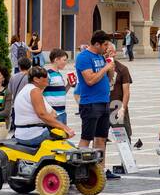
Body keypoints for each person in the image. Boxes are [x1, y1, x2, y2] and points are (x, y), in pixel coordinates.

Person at [75, 31, 117, 178]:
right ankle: (79, 170)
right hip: (90, 103)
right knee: (87, 137)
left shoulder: (100, 56)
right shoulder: (83, 57)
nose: (107, 47)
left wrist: (110, 67)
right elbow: (90, 80)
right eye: (105, 44)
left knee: (101, 138)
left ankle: (99, 170)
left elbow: (109, 78)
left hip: (104, 101)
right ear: (97, 44)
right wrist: (105, 67)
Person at [13, 66, 64, 146]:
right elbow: (43, 114)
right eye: (45, 77)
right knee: (65, 141)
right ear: (36, 79)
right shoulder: (34, 91)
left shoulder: (27, 89)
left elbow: (51, 113)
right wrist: (65, 128)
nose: (48, 80)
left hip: (22, 134)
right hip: (32, 135)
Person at [109, 49, 134, 139]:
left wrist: (123, 108)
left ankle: (126, 152)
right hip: (102, 106)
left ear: (115, 53)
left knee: (122, 138)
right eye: (106, 52)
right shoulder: (99, 67)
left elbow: (126, 92)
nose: (108, 54)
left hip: (116, 105)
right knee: (99, 138)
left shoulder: (122, 69)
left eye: (111, 52)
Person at [44, 49, 71, 125]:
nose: (66, 62)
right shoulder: (48, 75)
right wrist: (49, 110)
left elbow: (62, 93)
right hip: (53, 114)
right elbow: (39, 94)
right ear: (56, 60)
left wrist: (69, 84)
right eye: (64, 60)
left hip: (62, 113)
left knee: (63, 136)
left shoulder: (59, 74)